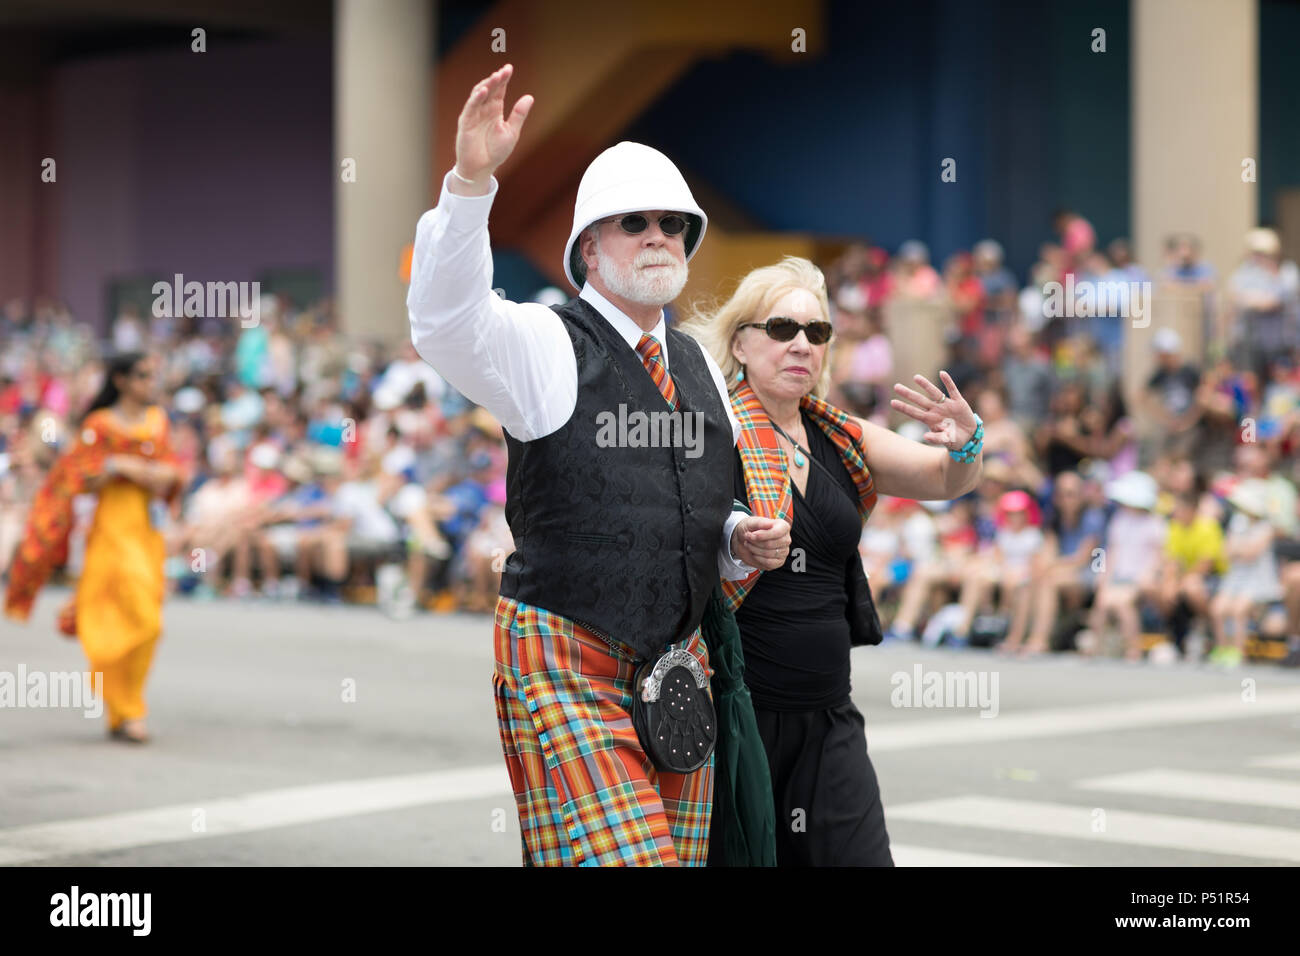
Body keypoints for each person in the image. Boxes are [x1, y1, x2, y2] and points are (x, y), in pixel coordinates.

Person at [405, 65, 790, 867]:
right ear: (587, 247)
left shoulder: (699, 365)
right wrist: (471, 182)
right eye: (634, 222)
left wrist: (736, 537)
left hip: (679, 666)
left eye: (673, 224)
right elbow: (445, 323)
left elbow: (696, 507)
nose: (659, 237)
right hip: (564, 657)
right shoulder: (545, 340)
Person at [680, 255, 983, 866]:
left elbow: (947, 479)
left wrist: (968, 440)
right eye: (782, 329)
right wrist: (735, 542)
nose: (802, 345)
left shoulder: (839, 436)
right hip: (736, 716)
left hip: (828, 714)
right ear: (741, 342)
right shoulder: (710, 430)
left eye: (816, 333)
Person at [4, 352, 182, 742]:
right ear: (120, 380)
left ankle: (122, 708)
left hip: (148, 530)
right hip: (112, 530)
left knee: (147, 615)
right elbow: (78, 476)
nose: (150, 382)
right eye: (142, 375)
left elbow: (174, 469)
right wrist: (120, 467)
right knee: (141, 618)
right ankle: (129, 709)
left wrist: (157, 474)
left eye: (153, 375)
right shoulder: (99, 425)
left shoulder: (159, 422)